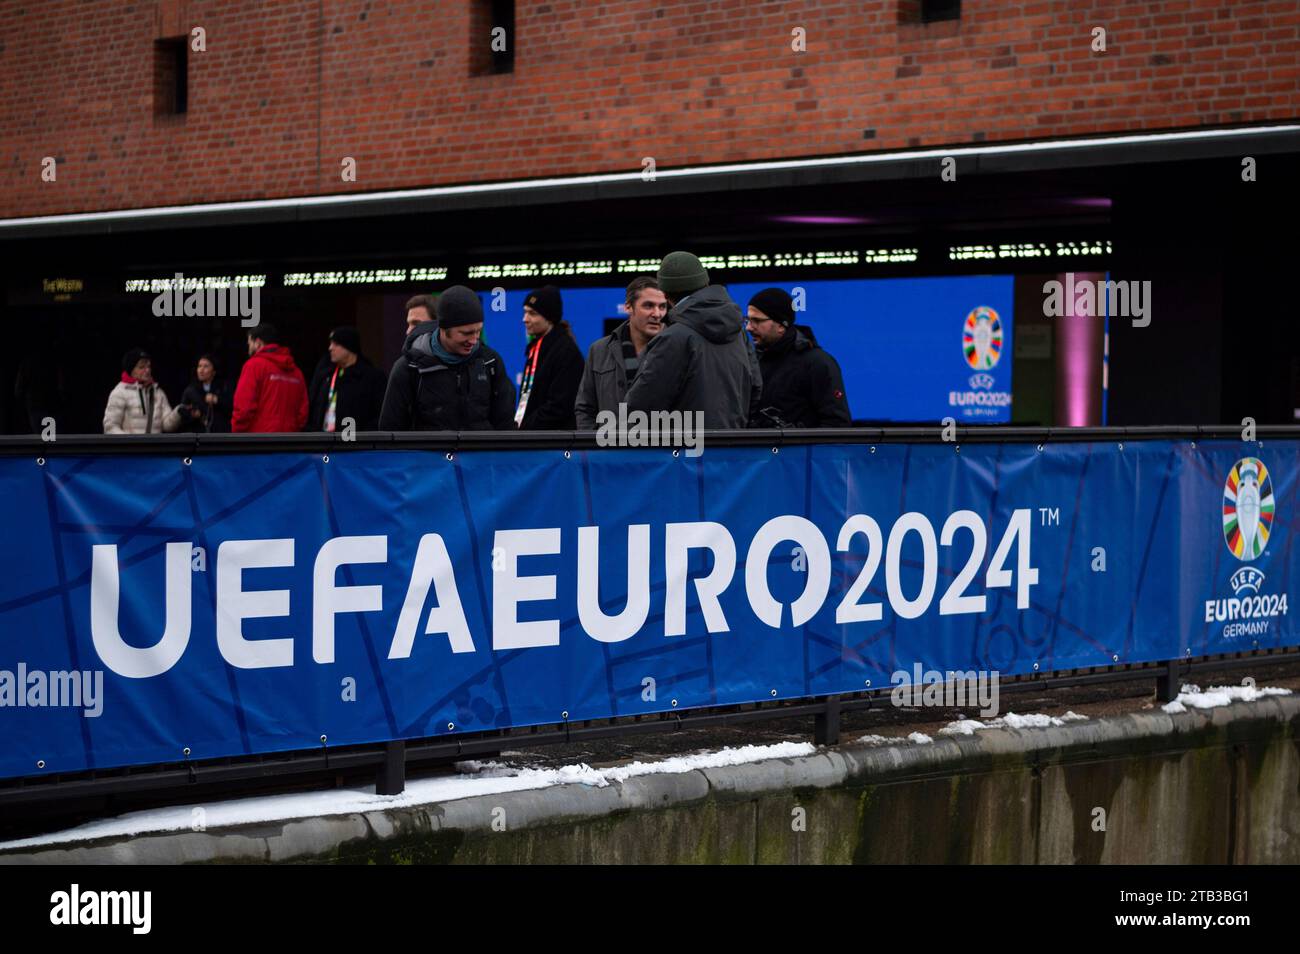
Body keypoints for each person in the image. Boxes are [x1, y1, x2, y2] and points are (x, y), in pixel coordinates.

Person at [623, 251, 760, 429]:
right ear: (705, 283)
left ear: (665, 294)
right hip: (733, 442)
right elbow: (755, 389)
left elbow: (641, 406)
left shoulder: (673, 338)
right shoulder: (739, 332)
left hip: (685, 445)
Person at [379, 285, 516, 430]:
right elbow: (390, 430)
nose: (474, 340)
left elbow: (505, 427)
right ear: (443, 329)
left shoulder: (490, 362)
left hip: (482, 446)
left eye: (478, 331)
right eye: (466, 333)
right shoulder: (409, 368)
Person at [745, 288, 851, 428]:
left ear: (781, 325)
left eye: (757, 320)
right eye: (748, 320)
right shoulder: (751, 361)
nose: (748, 327)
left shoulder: (818, 364)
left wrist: (796, 439)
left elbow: (837, 425)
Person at [574, 276, 667, 428]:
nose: (657, 314)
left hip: (659, 442)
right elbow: (585, 407)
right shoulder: (599, 350)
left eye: (662, 307)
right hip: (608, 442)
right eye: (648, 306)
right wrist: (593, 441)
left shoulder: (676, 348)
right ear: (628, 307)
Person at [514, 285, 584, 430]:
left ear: (550, 317)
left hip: (554, 440)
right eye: (525, 312)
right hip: (534, 436)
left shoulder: (566, 352)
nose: (524, 319)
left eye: (532, 313)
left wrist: (525, 428)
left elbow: (559, 407)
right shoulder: (536, 348)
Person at [231, 324, 309, 433]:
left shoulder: (253, 366)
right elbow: (303, 413)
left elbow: (244, 408)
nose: (248, 348)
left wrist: (236, 433)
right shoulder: (296, 372)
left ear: (258, 343)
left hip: (260, 439)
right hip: (290, 438)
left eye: (249, 343)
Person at [307, 327, 387, 432]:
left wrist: (363, 436)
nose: (330, 348)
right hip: (324, 438)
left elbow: (380, 414)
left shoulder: (372, 378)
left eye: (336, 344)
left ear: (349, 347)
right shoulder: (325, 376)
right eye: (330, 344)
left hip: (355, 439)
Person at [103, 348, 184, 434]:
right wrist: (130, 441)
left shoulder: (158, 393)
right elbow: (110, 427)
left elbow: (166, 426)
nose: (147, 370)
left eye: (148, 366)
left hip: (154, 443)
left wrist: (178, 413)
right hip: (130, 443)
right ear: (131, 369)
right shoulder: (120, 393)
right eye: (141, 367)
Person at [178, 354, 234, 433]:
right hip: (198, 436)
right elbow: (181, 411)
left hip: (219, 434)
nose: (201, 370)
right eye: (199, 366)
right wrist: (193, 414)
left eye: (206, 366)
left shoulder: (223, 387)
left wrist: (217, 400)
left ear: (214, 371)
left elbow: (232, 408)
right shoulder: (191, 390)